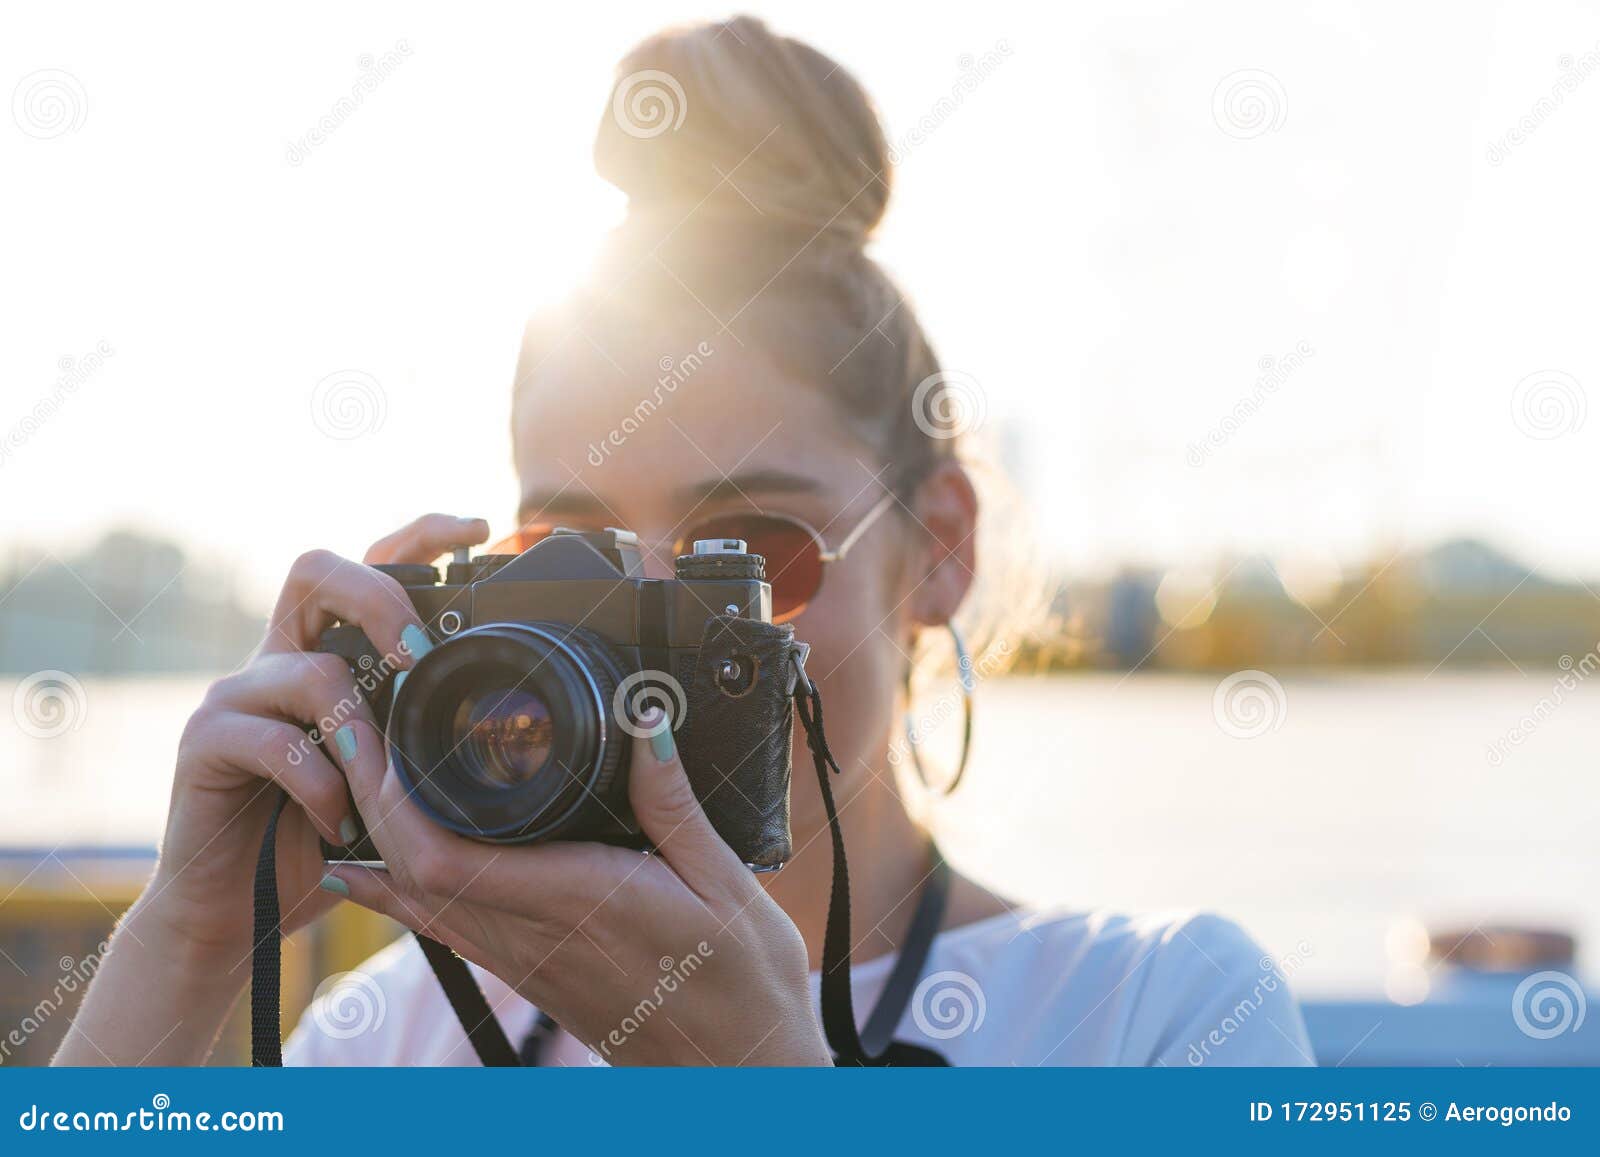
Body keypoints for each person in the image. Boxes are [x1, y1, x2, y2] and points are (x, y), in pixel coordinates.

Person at [55, 15, 1310, 1067]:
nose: (642, 627)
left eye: (747, 553)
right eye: (572, 547)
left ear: (937, 549)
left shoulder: (1156, 1017)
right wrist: (192, 936)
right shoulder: (393, 1035)